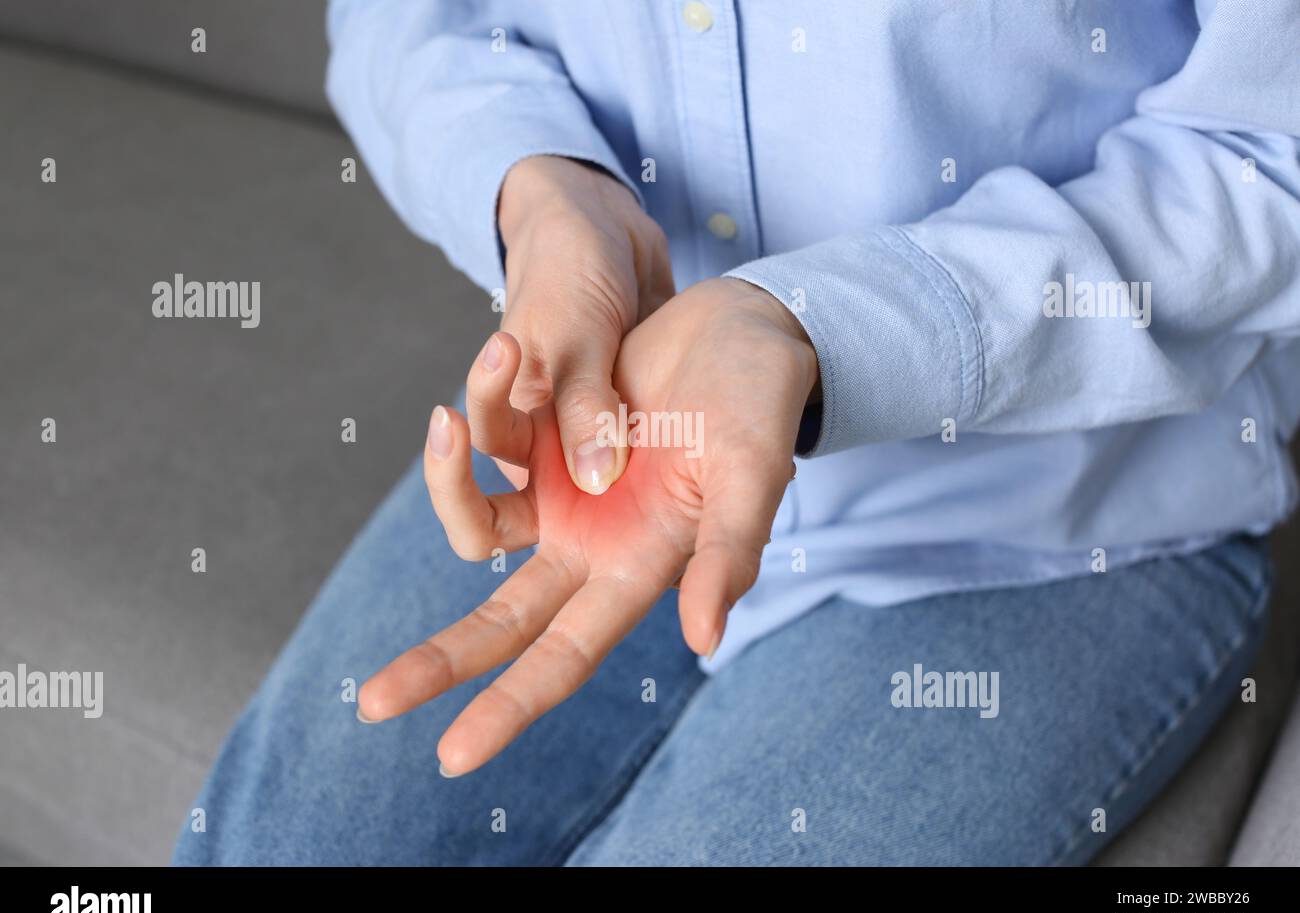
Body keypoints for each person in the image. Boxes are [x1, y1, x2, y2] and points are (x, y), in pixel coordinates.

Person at [173, 0, 1300, 865]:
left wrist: (822, 329)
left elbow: (1269, 155)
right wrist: (545, 190)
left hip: (1059, 511)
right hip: (608, 440)